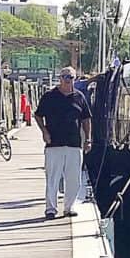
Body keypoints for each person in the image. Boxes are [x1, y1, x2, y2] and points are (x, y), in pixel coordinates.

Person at [34, 66, 92, 219]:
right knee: (53, 177)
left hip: (74, 144)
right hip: (54, 143)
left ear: (74, 79)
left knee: (74, 179)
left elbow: (86, 119)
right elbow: (38, 115)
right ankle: (51, 208)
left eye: (71, 77)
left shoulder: (79, 97)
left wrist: (88, 139)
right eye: (65, 76)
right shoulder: (49, 96)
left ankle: (69, 207)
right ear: (60, 78)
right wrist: (44, 132)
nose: (68, 80)